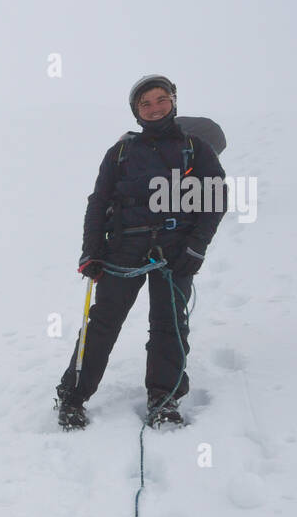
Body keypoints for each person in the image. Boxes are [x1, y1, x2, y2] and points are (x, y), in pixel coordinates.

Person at [55, 75, 228, 430]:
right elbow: (98, 202)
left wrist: (196, 248)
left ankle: (164, 400)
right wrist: (91, 251)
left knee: (169, 325)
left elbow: (214, 199)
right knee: (102, 324)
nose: (154, 108)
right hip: (123, 249)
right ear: (136, 111)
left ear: (173, 102)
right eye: (145, 103)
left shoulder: (196, 148)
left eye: (160, 100)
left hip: (175, 251)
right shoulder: (120, 152)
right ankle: (72, 397)